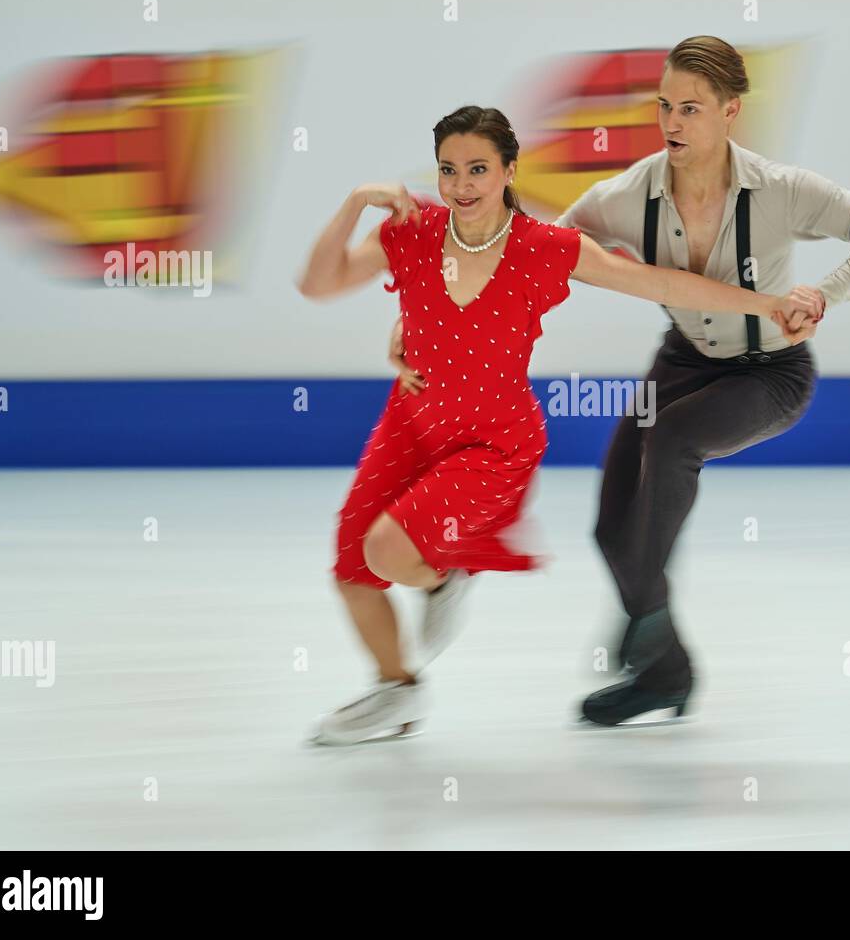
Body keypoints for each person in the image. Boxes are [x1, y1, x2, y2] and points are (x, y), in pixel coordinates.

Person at [295, 104, 822, 744]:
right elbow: (318, 285)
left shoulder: (543, 249)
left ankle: (446, 574)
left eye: (478, 169)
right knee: (351, 572)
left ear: (510, 170)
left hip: (493, 442)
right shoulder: (410, 234)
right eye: (449, 170)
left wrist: (768, 306)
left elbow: (660, 282)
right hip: (409, 423)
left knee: (388, 551)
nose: (462, 185)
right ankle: (396, 691)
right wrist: (354, 203)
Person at [552, 36, 850, 725]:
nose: (672, 123)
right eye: (664, 106)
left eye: (690, 108)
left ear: (731, 112)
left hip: (771, 373)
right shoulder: (630, 194)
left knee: (670, 443)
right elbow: (546, 252)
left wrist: (825, 294)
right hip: (681, 360)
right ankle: (666, 671)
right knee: (610, 527)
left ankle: (645, 626)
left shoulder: (781, 191)